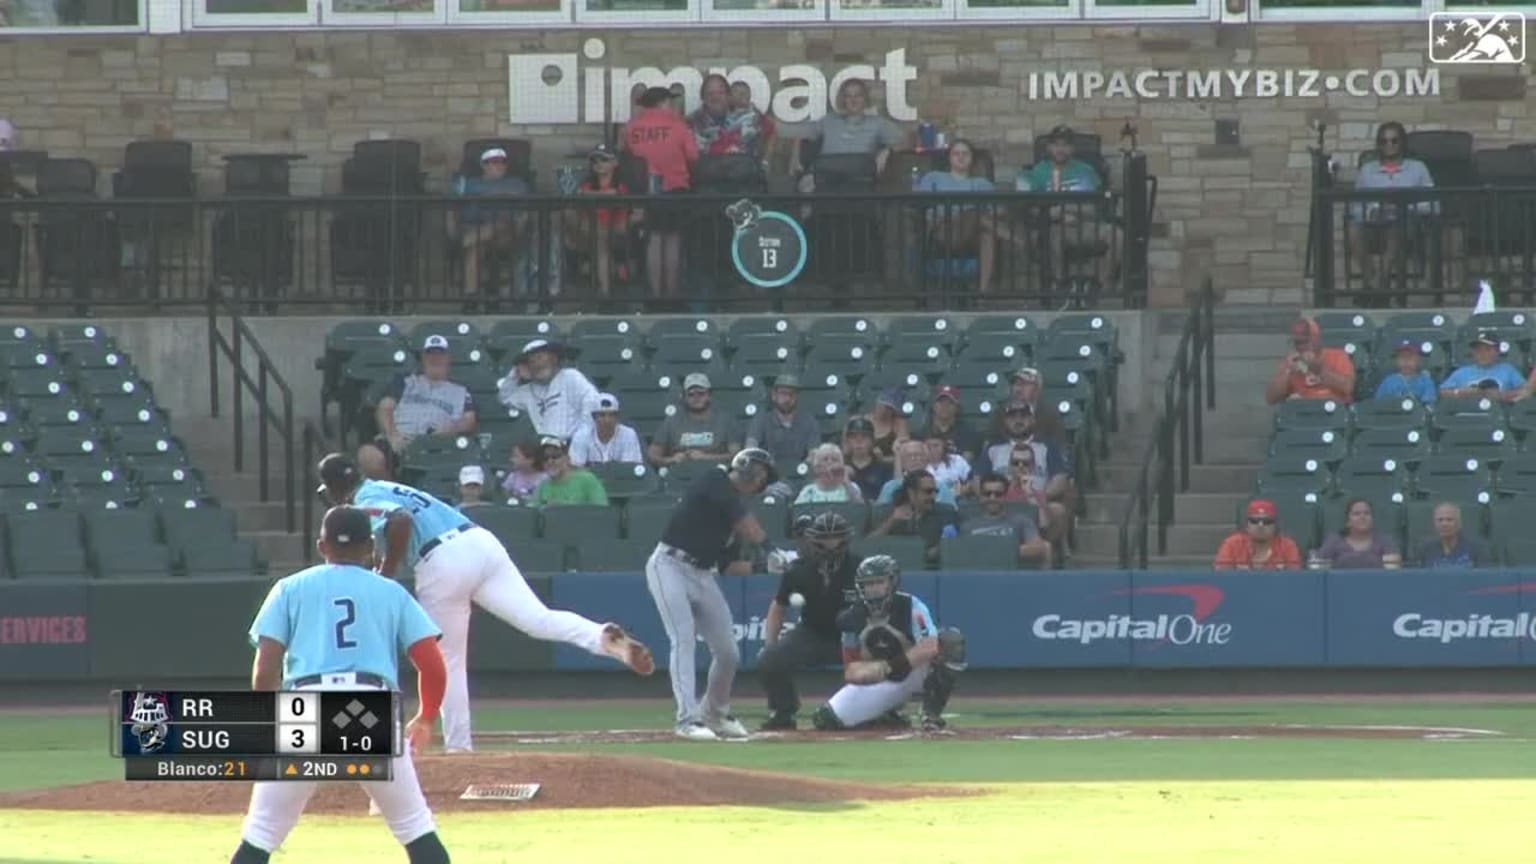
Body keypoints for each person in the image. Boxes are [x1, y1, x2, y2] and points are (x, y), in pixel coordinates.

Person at [316, 453, 653, 752]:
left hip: (442, 559)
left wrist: (386, 572)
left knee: (447, 660)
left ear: (333, 488)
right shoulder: (384, 485)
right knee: (538, 619)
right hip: (479, 542)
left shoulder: (362, 499)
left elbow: (400, 520)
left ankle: (460, 751)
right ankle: (600, 637)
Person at [231, 506, 451, 864]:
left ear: (322, 545)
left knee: (260, 835)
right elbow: (431, 664)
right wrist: (426, 716)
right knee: (416, 829)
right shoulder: (390, 592)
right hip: (369, 706)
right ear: (370, 548)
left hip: (306, 707)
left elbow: (266, 666)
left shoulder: (290, 587)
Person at [645, 448, 775, 740]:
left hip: (702, 574)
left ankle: (714, 713)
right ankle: (687, 719)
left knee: (728, 651)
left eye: (764, 474)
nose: (759, 476)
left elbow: (729, 566)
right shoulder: (715, 479)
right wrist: (771, 548)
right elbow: (741, 516)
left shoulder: (733, 521)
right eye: (758, 469)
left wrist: (765, 566)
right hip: (669, 565)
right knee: (683, 638)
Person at [810, 555, 964, 734]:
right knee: (826, 719)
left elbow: (930, 646)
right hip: (881, 679)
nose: (873, 589)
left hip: (915, 671)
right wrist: (869, 672)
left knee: (950, 642)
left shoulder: (911, 606)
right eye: (868, 584)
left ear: (891, 583)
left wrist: (891, 666)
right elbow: (850, 670)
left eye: (879, 582)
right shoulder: (851, 618)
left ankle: (931, 715)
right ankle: (885, 715)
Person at [758, 512, 860, 731]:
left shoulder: (860, 568)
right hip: (812, 632)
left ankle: (875, 710)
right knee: (770, 658)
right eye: (824, 539)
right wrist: (770, 642)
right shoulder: (798, 570)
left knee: (879, 657)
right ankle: (783, 711)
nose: (830, 544)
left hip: (852, 636)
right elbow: (779, 606)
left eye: (835, 538)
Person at [360, 335, 478, 481]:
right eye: (431, 355)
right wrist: (393, 435)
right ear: (423, 358)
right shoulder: (404, 382)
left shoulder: (461, 391)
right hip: (401, 441)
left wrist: (450, 429)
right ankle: (392, 492)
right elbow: (384, 409)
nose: (435, 359)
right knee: (368, 455)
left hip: (437, 444)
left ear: (448, 359)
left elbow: (469, 420)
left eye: (440, 355)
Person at [1347, 121, 1438, 302]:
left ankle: (1375, 286)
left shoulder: (1418, 168)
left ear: (1402, 143)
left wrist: (1402, 207)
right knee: (1353, 229)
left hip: (1406, 224)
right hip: (1373, 224)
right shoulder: (1367, 170)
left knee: (1398, 227)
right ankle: (1375, 281)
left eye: (1394, 141)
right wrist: (1370, 211)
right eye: (1384, 141)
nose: (1389, 145)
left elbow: (1432, 203)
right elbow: (1355, 206)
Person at [625, 85, 698, 302]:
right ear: (664, 102)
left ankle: (655, 295)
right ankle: (672, 295)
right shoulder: (677, 125)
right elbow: (693, 156)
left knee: (654, 241)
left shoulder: (632, 127)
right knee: (673, 240)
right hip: (675, 187)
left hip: (644, 191)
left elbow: (626, 156)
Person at [790, 77, 904, 190]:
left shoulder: (877, 123)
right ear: (843, 100)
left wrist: (887, 152)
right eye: (848, 96)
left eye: (858, 95)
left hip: (861, 180)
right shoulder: (828, 121)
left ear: (865, 99)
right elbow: (800, 135)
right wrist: (796, 162)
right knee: (804, 187)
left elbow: (906, 141)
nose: (853, 100)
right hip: (825, 178)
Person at [917, 139, 1000, 293]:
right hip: (942, 231)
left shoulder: (982, 183)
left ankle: (982, 292)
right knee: (973, 212)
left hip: (970, 235)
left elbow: (996, 211)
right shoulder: (934, 177)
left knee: (986, 234)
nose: (961, 157)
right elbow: (920, 205)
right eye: (956, 154)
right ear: (949, 158)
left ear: (972, 158)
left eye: (965, 154)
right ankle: (1009, 235)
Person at [451, 147, 530, 302]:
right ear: (483, 165)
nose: (500, 166)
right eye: (494, 162)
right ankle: (471, 299)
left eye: (503, 162)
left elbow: (526, 208)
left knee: (500, 222)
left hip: (508, 232)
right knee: (475, 250)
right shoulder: (468, 183)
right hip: (474, 227)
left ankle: (469, 240)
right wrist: (451, 229)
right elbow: (450, 205)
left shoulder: (517, 183)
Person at [561, 144, 631, 299]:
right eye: (595, 160)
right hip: (588, 230)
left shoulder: (621, 184)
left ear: (615, 163)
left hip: (614, 231)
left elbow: (615, 194)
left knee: (601, 243)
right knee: (568, 213)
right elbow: (578, 198)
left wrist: (588, 194)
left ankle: (605, 293)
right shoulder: (587, 184)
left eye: (604, 160)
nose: (599, 164)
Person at [496, 339, 601, 441]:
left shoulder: (570, 376)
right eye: (531, 361)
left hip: (573, 443)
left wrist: (583, 435)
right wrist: (516, 372)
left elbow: (593, 401)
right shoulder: (527, 391)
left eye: (540, 357)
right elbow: (505, 397)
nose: (537, 364)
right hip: (547, 448)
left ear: (554, 358)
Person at [869, 469, 961, 566]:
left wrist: (929, 552)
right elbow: (868, 546)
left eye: (935, 491)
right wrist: (891, 522)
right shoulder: (887, 513)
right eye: (928, 491)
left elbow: (952, 548)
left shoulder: (945, 513)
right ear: (911, 493)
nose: (933, 496)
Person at [648, 372, 739, 467]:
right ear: (683, 397)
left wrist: (705, 457)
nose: (696, 398)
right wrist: (672, 460)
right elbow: (652, 455)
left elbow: (736, 456)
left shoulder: (725, 421)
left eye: (701, 393)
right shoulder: (672, 421)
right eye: (691, 394)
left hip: (715, 472)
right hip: (679, 473)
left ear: (709, 396)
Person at [961, 474, 1052, 568]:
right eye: (987, 494)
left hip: (1012, 576)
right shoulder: (968, 526)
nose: (992, 498)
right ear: (981, 497)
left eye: (998, 494)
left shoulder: (1021, 520)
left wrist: (1001, 551)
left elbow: (1039, 547)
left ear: (1005, 496)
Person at [1265, 317, 1357, 405]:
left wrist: (1320, 371)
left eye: (1305, 342)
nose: (1301, 347)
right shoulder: (1292, 362)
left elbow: (1348, 387)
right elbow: (1271, 399)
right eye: (1297, 343)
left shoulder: (1338, 356)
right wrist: (1287, 372)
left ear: (1316, 340)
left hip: (1333, 411)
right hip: (1304, 412)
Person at [744, 373, 823, 473]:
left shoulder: (809, 421)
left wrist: (802, 467)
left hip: (800, 474)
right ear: (774, 396)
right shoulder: (761, 420)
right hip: (768, 475)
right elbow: (750, 450)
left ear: (797, 397)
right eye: (783, 393)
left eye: (792, 394)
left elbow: (814, 453)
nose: (787, 399)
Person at [690, 73, 774, 163]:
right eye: (710, 93)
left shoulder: (749, 115)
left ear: (728, 96)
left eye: (720, 92)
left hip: (745, 173)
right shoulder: (692, 122)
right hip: (707, 173)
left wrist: (765, 162)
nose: (715, 97)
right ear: (703, 97)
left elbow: (772, 131)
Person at [1312, 497, 1402, 569]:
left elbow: (1393, 573)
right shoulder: (1333, 542)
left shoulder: (1385, 542)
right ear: (1348, 521)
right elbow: (1319, 573)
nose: (1362, 517)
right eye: (1356, 514)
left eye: (1366, 513)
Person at [1213, 499, 1303, 570]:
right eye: (1254, 521)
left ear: (1275, 526)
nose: (1260, 525)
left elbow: (1294, 579)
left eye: (1267, 521)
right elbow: (1221, 576)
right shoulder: (1232, 544)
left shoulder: (1287, 546)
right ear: (1247, 525)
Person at [1441, 332, 1526, 401]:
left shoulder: (1508, 370)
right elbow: (1442, 392)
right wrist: (1460, 393)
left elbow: (1526, 391)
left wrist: (1503, 396)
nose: (1482, 354)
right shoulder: (1462, 372)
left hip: (1500, 415)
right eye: (1478, 350)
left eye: (1487, 349)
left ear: (1497, 351)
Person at [567, 392, 644, 467]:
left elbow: (630, 470)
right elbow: (575, 471)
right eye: (602, 415)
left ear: (617, 417)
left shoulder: (628, 435)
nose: (607, 420)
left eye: (611, 415)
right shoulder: (581, 436)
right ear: (594, 417)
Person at [875, 439, 958, 507]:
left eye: (918, 455)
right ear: (902, 462)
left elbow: (951, 514)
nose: (913, 459)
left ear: (926, 459)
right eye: (909, 456)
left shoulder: (940, 487)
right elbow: (880, 514)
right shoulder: (890, 487)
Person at [913, 386, 983, 465]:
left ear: (957, 408)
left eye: (950, 403)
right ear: (934, 406)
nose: (945, 406)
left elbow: (965, 462)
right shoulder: (920, 434)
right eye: (941, 402)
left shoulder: (969, 433)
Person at [531, 437, 609, 507]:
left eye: (555, 456)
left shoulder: (587, 480)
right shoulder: (542, 487)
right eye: (545, 458)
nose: (550, 461)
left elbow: (602, 512)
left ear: (567, 459)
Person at [1412, 502, 1490, 569]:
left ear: (1459, 523)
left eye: (1449, 520)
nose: (1444, 524)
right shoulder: (1424, 549)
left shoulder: (1477, 548)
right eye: (1440, 520)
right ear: (1434, 524)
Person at [793, 443, 864, 504]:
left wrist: (846, 480)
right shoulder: (809, 491)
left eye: (835, 459)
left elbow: (860, 510)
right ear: (817, 466)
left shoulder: (852, 488)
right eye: (825, 459)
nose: (830, 462)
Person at [1373, 339, 1438, 404]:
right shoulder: (1388, 382)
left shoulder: (1426, 382)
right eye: (1402, 357)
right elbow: (1378, 404)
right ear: (1396, 360)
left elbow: (1429, 405)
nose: (1406, 361)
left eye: (1410, 357)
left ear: (1418, 360)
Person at [844, 418, 893, 502]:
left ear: (872, 441)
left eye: (864, 437)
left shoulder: (884, 468)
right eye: (854, 437)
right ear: (848, 441)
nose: (859, 441)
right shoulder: (841, 467)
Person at [922, 433, 972, 498]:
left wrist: (963, 490)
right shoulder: (920, 464)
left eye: (936, 446)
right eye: (928, 447)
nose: (932, 449)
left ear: (944, 446)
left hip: (958, 499)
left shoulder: (956, 460)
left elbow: (971, 481)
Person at [500, 440, 547, 504]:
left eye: (516, 456)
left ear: (530, 460)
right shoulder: (513, 477)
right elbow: (505, 493)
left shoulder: (544, 478)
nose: (511, 459)